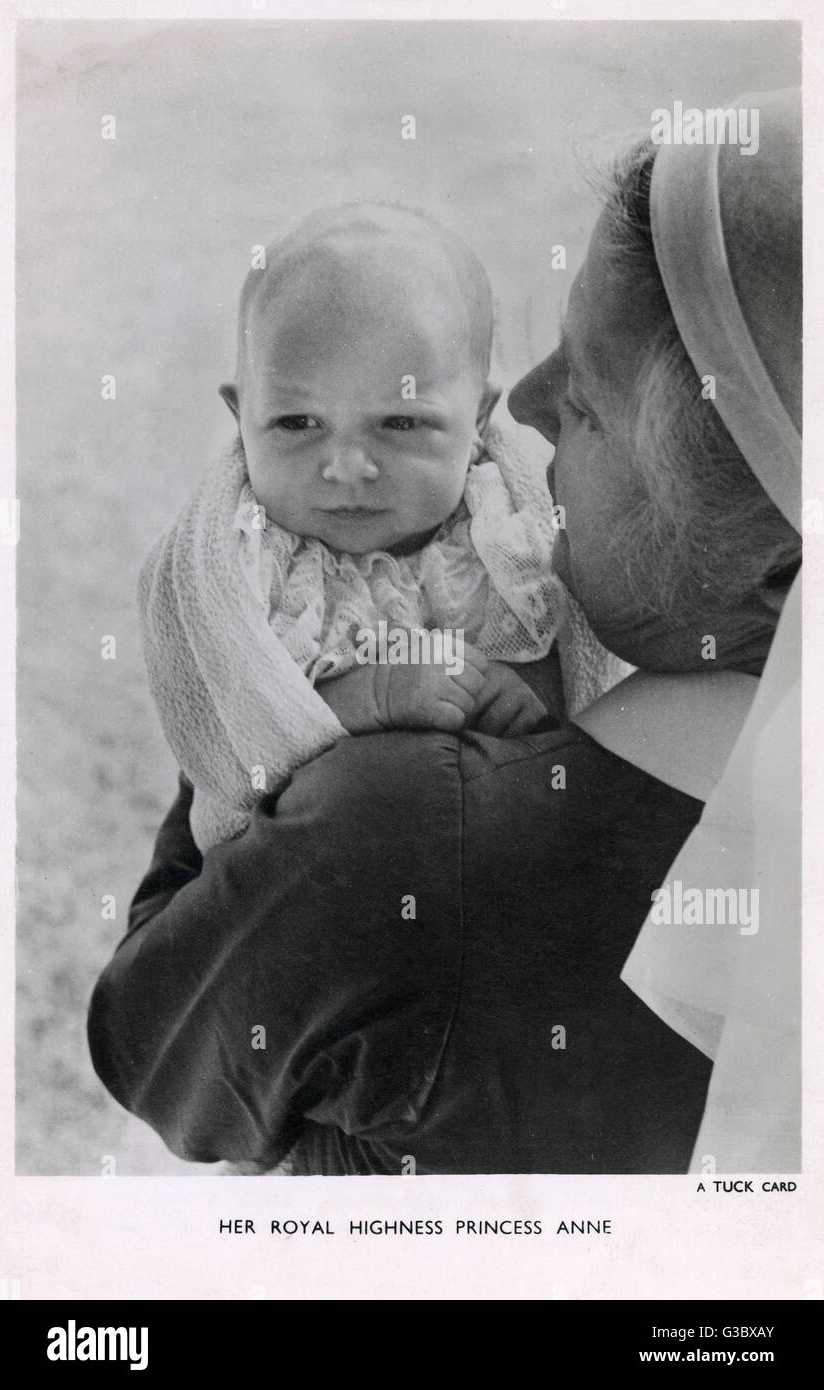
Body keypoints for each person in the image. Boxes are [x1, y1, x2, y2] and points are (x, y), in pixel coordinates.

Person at [88, 89, 801, 1174]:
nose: (517, 411)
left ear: (766, 554)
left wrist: (231, 770)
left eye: (590, 403)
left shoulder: (395, 833)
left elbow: (148, 1047)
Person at [138, 204, 576, 854]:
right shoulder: (248, 558)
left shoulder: (502, 522)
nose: (346, 469)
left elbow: (568, 631)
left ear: (478, 419)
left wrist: (525, 693)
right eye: (296, 423)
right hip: (302, 872)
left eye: (399, 424)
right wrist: (367, 693)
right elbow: (230, 721)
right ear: (241, 415)